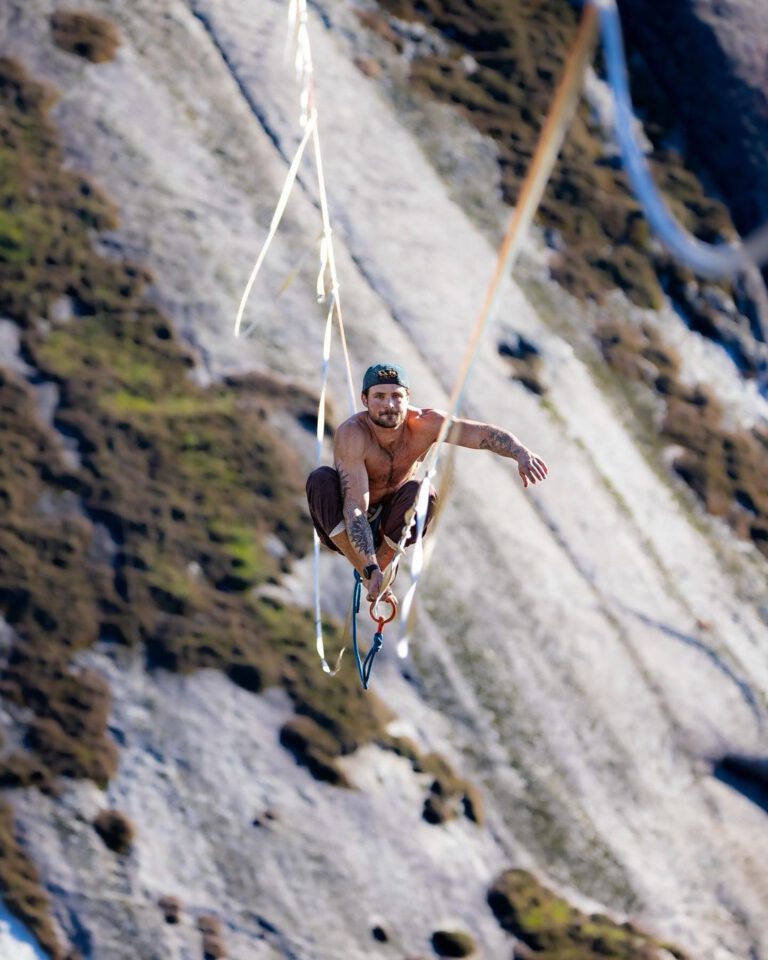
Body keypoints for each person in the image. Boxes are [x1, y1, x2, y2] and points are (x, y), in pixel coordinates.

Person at [306, 362, 548, 602]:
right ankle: (373, 574)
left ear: (408, 398)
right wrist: (368, 568)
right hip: (346, 525)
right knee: (320, 480)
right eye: (379, 396)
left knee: (422, 492)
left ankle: (384, 564)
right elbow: (355, 507)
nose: (389, 405)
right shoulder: (353, 434)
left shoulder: (425, 424)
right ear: (364, 400)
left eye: (396, 396)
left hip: (391, 523)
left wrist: (520, 452)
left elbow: (481, 435)